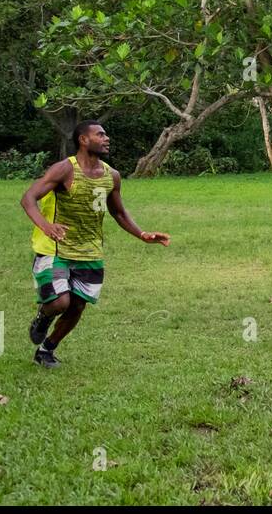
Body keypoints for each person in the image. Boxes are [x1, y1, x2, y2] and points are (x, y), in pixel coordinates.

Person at [19, 120, 170, 368]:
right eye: (100, 134)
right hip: (54, 249)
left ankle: (47, 349)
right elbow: (28, 199)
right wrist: (47, 227)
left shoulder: (112, 176)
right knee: (59, 302)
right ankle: (43, 317)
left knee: (77, 305)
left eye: (106, 135)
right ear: (83, 140)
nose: (106, 138)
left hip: (90, 250)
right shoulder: (64, 170)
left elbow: (118, 213)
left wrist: (142, 234)